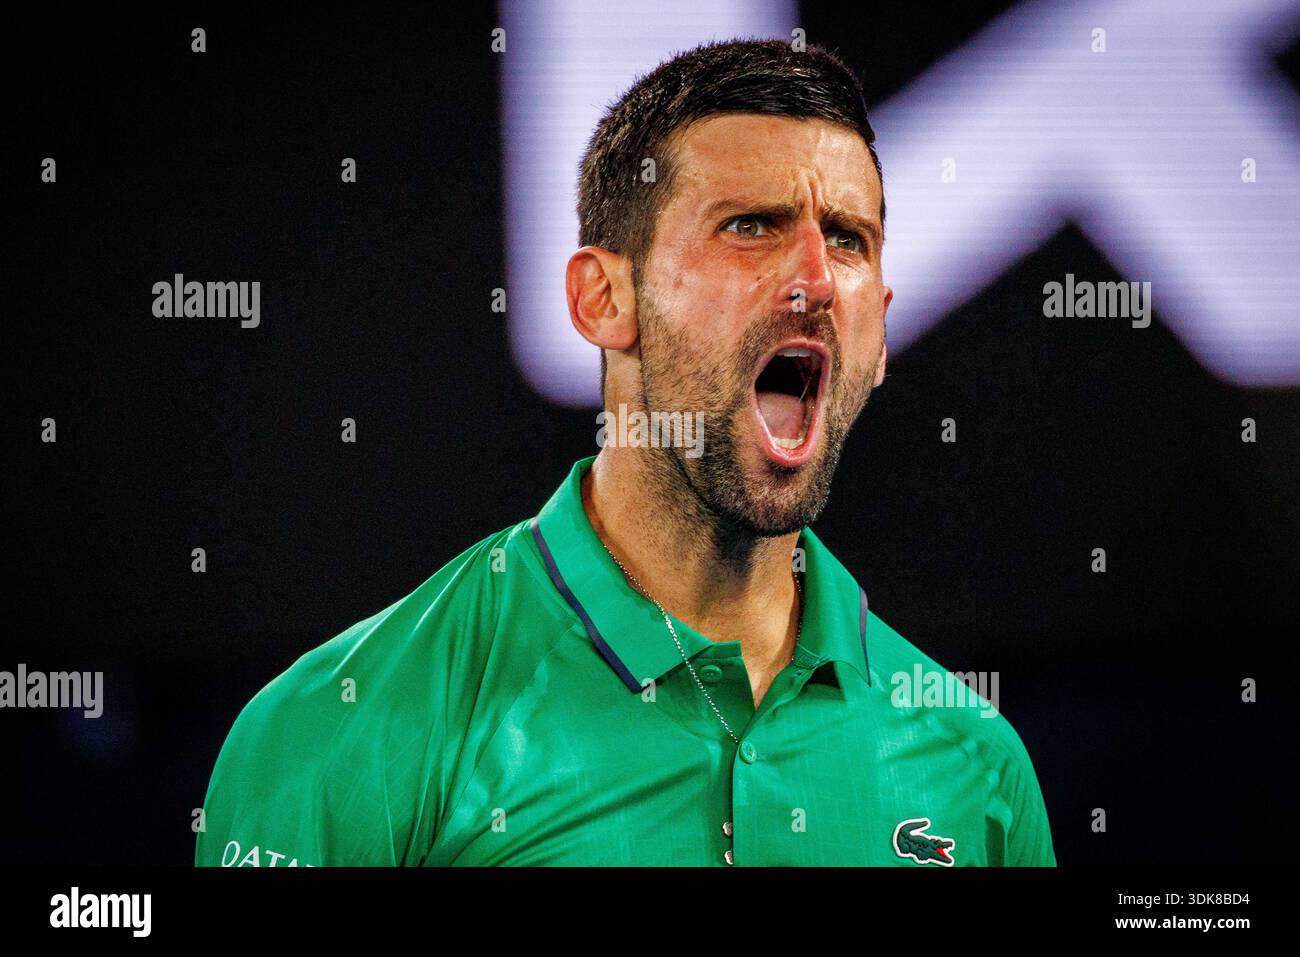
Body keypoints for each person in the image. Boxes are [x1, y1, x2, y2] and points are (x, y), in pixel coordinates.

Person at [196, 37, 1055, 867]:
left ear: (880, 334)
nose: (815, 279)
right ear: (604, 298)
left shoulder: (976, 764)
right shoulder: (343, 728)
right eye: (751, 225)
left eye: (847, 238)